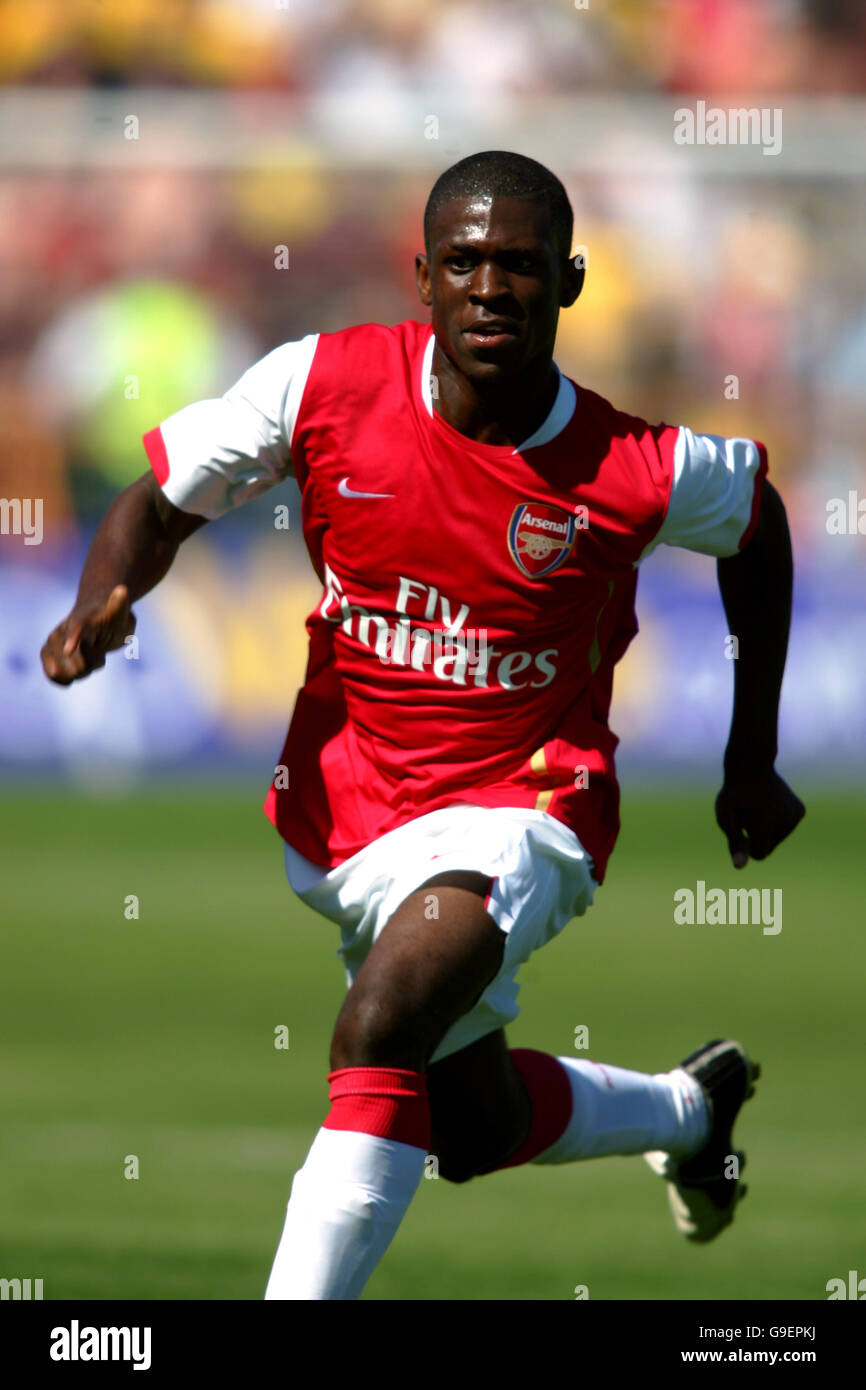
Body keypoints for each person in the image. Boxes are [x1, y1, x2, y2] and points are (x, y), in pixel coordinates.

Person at [41, 151, 805, 1301]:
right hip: (350, 810)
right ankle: (691, 1110)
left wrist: (750, 757)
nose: (490, 288)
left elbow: (760, 526)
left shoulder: (633, 468)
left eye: (519, 266)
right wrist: (103, 597)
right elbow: (161, 501)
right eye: (464, 263)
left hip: (521, 805)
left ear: (571, 283)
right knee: (465, 1126)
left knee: (377, 1026)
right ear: (422, 278)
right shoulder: (320, 386)